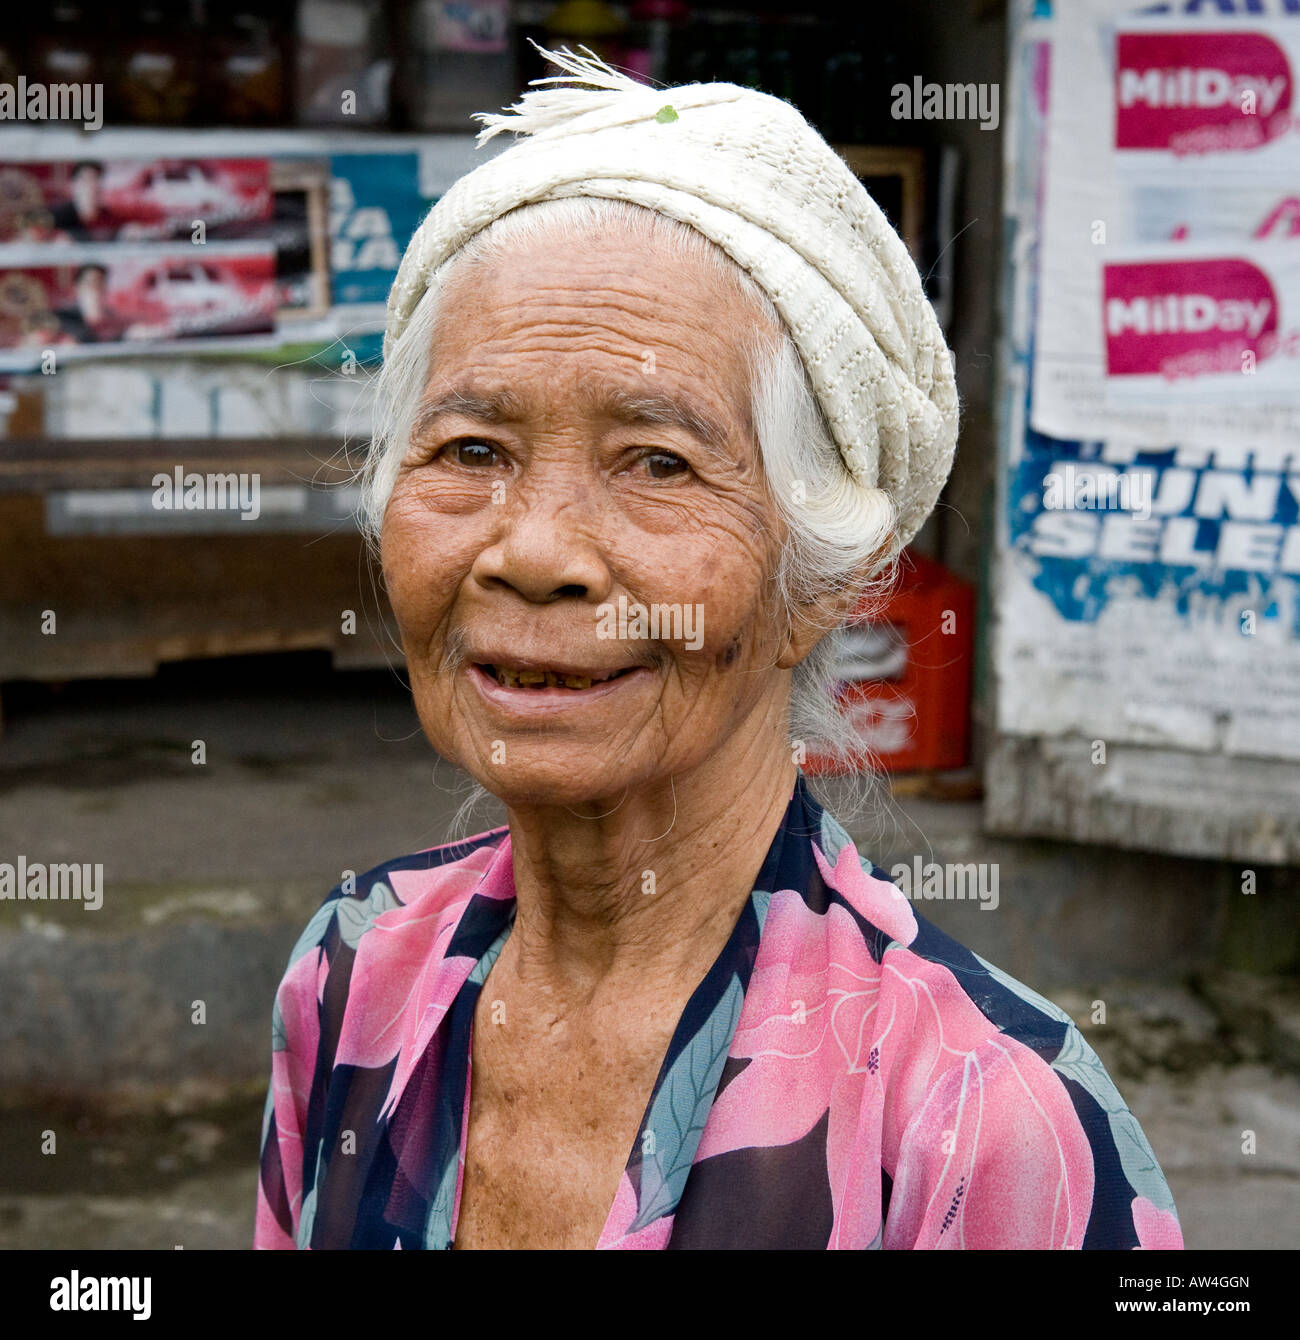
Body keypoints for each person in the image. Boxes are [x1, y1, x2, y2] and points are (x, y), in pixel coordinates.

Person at [255, 46, 1184, 1250]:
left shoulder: (980, 1120)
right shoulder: (352, 970)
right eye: (472, 449)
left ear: (824, 581)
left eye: (658, 463)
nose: (534, 551)